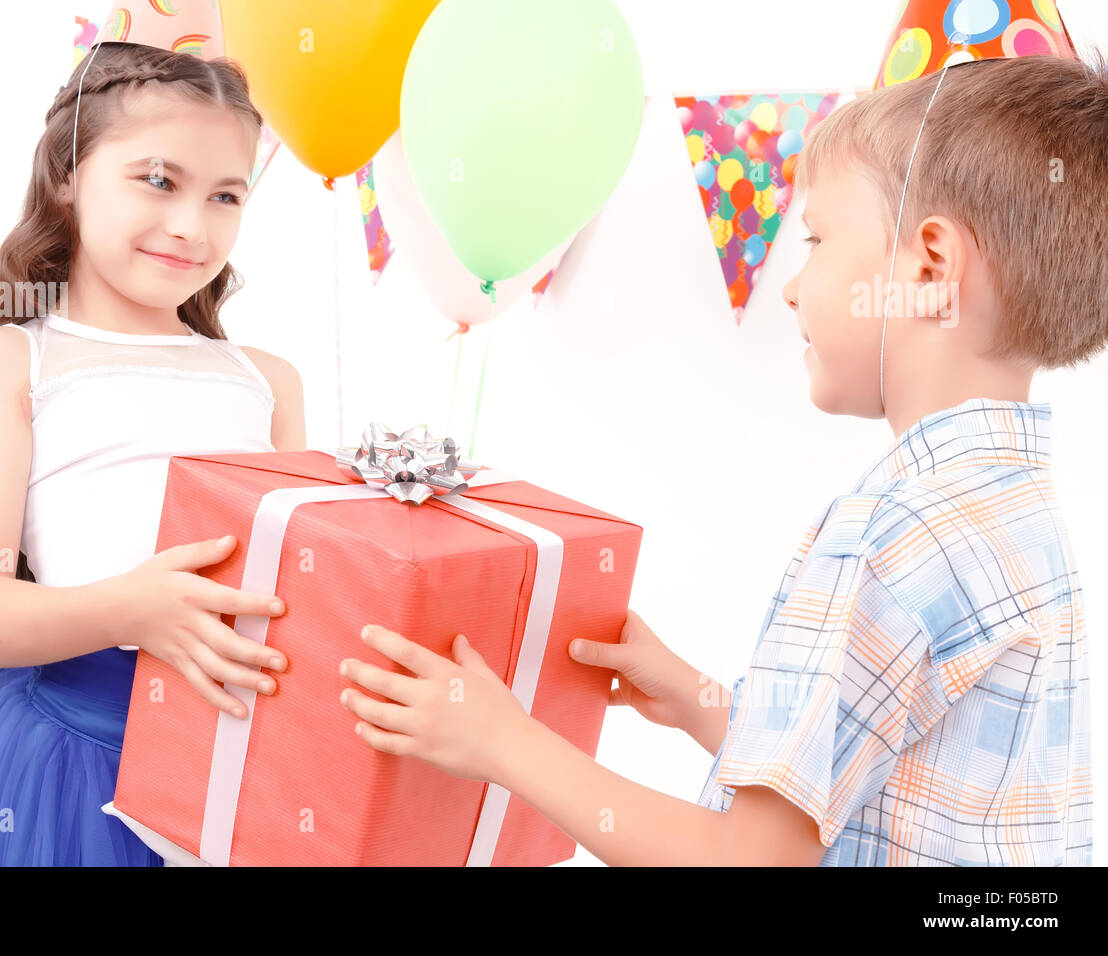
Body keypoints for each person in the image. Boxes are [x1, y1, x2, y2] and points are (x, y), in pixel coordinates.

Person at [338, 49, 1105, 865]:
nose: (791, 286)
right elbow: (873, 770)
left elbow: (751, 860)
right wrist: (699, 698)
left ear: (928, 267)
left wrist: (500, 743)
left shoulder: (890, 532)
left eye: (816, 239)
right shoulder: (1017, 511)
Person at [0, 41, 305, 866]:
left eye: (226, 195)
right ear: (68, 173)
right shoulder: (8, 360)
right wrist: (136, 608)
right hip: (72, 765)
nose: (193, 225)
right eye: (158, 180)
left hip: (237, 768)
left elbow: (292, 589)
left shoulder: (266, 380)